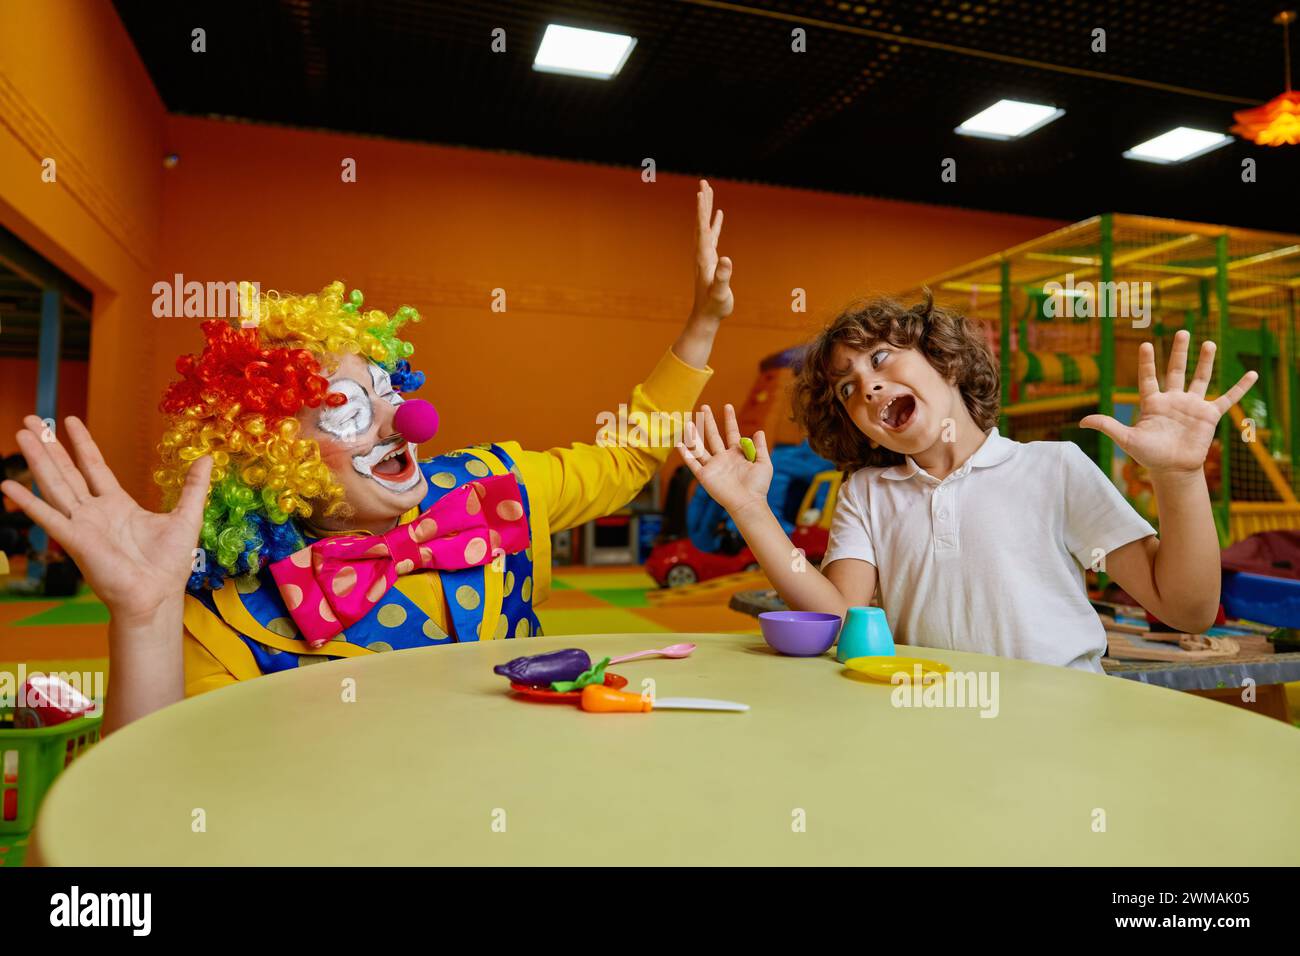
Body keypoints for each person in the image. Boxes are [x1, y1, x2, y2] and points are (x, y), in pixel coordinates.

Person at [1, 181, 735, 733]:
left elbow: (631, 458)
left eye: (386, 389)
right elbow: (152, 797)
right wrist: (143, 619)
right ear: (265, 460)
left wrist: (699, 325)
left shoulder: (496, 490)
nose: (404, 417)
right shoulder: (223, 617)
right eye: (348, 410)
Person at [679, 294, 1257, 672]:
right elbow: (836, 618)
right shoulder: (868, 493)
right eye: (847, 388)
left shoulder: (1053, 469)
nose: (867, 387)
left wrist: (1179, 477)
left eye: (881, 359)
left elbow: (1187, 610)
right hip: (929, 727)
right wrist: (751, 508)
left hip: (1061, 726)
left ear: (947, 362)